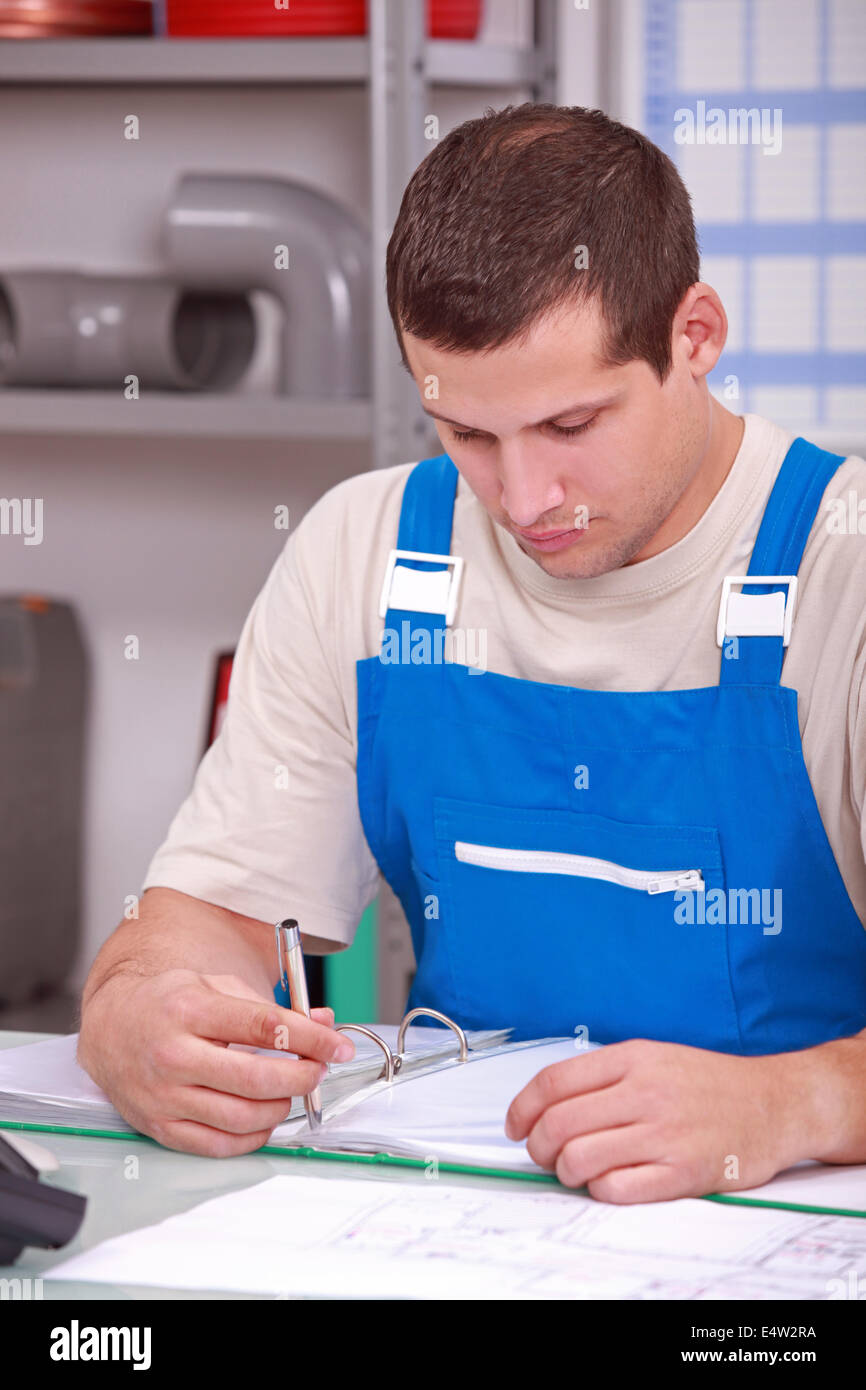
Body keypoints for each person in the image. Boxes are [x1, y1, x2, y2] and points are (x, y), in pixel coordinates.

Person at [78, 104, 866, 1203]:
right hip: (472, 1211)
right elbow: (210, 914)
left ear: (693, 337)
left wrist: (793, 1103)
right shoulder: (367, 548)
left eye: (570, 425)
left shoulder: (843, 567)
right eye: (466, 435)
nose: (523, 499)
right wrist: (134, 1008)